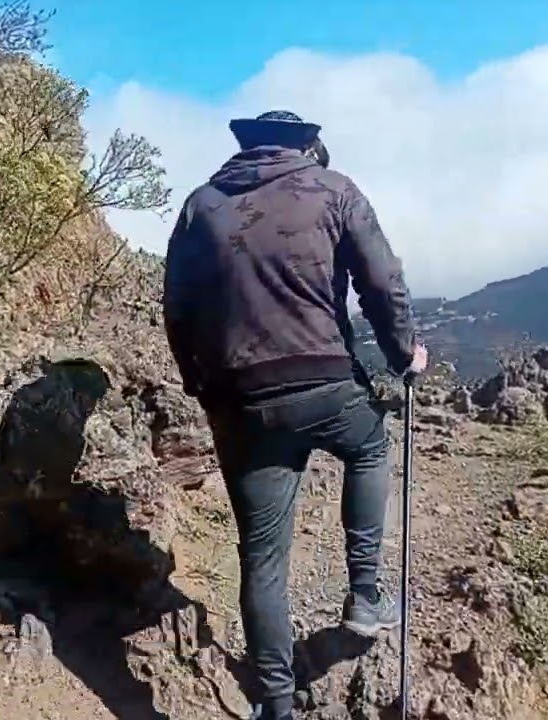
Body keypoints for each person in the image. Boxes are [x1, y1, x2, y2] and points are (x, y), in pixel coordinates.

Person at [161, 110, 427, 720]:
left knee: (262, 558)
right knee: (368, 447)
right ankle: (365, 596)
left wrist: (201, 385)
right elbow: (382, 283)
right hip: (328, 384)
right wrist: (402, 355)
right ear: (309, 145)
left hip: (243, 402)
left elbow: (176, 306)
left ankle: (276, 705)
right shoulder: (334, 190)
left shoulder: (201, 206)